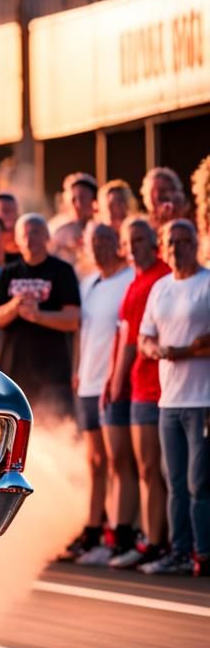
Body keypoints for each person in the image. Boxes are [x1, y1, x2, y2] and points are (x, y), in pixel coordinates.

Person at [138, 220, 210, 576]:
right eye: (172, 242)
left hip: (203, 400)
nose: (178, 248)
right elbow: (144, 337)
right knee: (175, 482)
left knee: (200, 482)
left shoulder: (207, 284)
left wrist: (184, 351)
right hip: (169, 400)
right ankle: (179, 551)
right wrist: (154, 350)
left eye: (184, 241)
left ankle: (203, 553)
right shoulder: (161, 287)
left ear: (196, 244)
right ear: (163, 247)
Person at [103, 217, 172, 569]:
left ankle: (157, 542)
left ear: (154, 242)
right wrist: (112, 377)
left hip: (155, 385)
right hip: (135, 383)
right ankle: (142, 537)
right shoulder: (134, 281)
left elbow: (136, 339)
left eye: (141, 239)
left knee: (152, 468)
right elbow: (122, 334)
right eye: (129, 241)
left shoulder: (161, 276)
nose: (134, 247)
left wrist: (117, 381)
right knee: (137, 466)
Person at [67, 223, 136, 565]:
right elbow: (82, 331)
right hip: (88, 382)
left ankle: (119, 533)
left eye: (105, 240)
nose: (99, 247)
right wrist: (77, 368)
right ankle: (92, 529)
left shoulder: (128, 280)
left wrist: (117, 376)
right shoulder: (88, 283)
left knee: (119, 460)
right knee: (94, 461)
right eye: (93, 242)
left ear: (117, 244)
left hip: (113, 383)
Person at [0, 214, 81, 419]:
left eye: (35, 232)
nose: (29, 239)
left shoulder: (63, 271)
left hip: (53, 375)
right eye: (24, 234)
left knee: (57, 431)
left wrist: (38, 315)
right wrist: (15, 306)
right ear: (17, 240)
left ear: (47, 236)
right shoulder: (8, 273)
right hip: (13, 374)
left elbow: (73, 320)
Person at [48, 172, 98, 271]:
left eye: (82, 198)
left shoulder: (101, 227)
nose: (77, 204)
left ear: (94, 200)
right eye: (73, 199)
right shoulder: (57, 228)